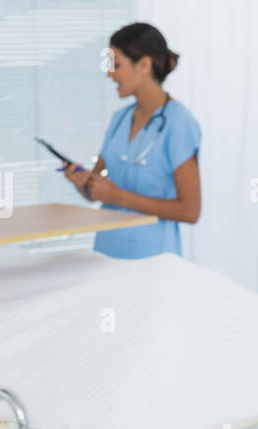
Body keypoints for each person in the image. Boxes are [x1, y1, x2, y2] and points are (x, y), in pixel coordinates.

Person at [65, 22, 202, 259]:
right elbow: (96, 189)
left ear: (144, 65)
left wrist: (118, 197)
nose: (109, 73)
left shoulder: (178, 123)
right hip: (107, 253)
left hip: (153, 259)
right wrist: (81, 182)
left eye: (116, 65)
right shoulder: (120, 119)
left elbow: (190, 211)